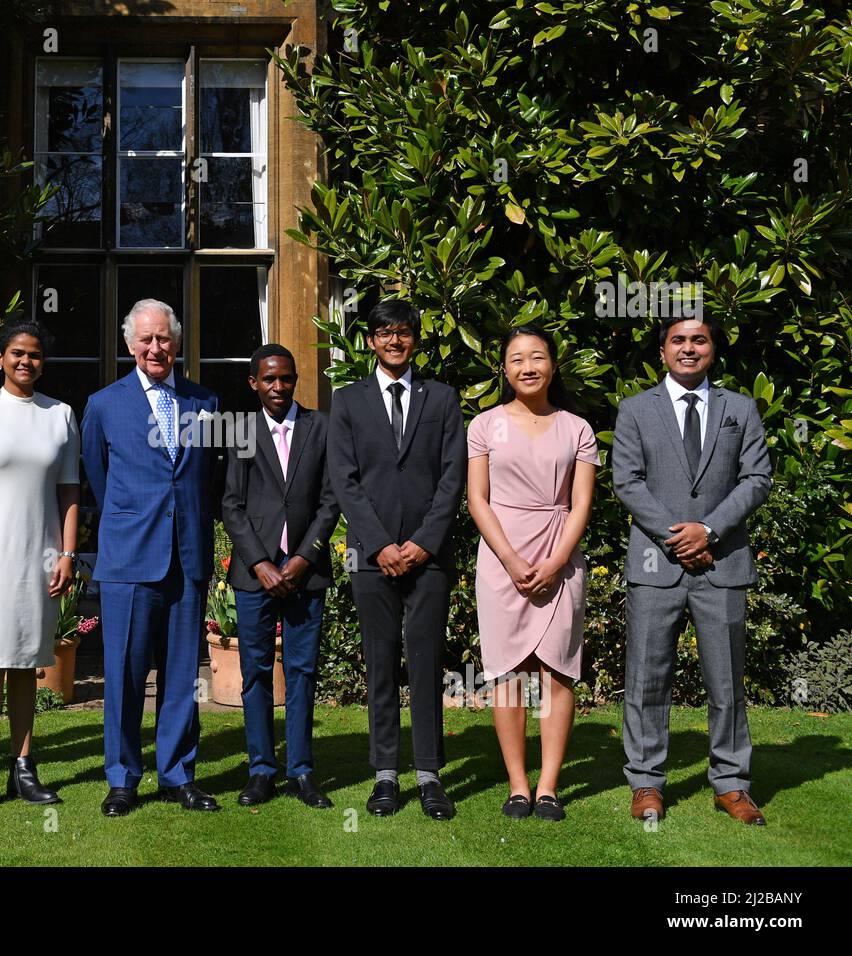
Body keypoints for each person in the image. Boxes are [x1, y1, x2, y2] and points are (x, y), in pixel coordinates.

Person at [613, 315, 772, 826]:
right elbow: (628, 482)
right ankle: (645, 782)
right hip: (655, 563)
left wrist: (710, 530)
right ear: (662, 351)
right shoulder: (636, 410)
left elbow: (757, 478)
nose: (688, 348)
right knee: (646, 678)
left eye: (698, 340)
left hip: (722, 561)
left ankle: (731, 783)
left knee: (726, 681)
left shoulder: (740, 409)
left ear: (712, 349)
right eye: (678, 340)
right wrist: (680, 537)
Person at [81, 298, 222, 816]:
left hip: (186, 558)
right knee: (123, 673)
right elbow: (98, 476)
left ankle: (177, 774)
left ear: (178, 342)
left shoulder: (204, 401)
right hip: (129, 560)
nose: (156, 348)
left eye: (164, 338)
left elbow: (208, 478)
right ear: (129, 344)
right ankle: (122, 778)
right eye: (146, 339)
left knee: (183, 673)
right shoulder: (102, 405)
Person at [327, 299, 465, 819]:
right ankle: (385, 773)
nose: (394, 341)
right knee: (381, 663)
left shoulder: (444, 399)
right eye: (385, 333)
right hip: (371, 556)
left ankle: (428, 773)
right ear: (370, 341)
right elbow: (345, 479)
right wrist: (380, 544)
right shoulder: (347, 401)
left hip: (428, 557)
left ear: (414, 340)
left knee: (426, 661)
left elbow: (453, 477)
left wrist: (423, 542)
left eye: (404, 332)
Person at [466, 328, 598, 822]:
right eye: (517, 359)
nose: (527, 367)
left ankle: (548, 787)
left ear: (553, 365)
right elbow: (477, 499)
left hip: (560, 556)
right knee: (507, 672)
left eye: (537, 357)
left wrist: (557, 560)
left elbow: (582, 502)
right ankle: (518, 786)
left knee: (558, 671)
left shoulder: (577, 428)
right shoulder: (483, 425)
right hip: (503, 558)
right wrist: (515, 561)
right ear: (504, 369)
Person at [0, 319, 79, 814]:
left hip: (41, 556)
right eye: (17, 353)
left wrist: (66, 554)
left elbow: (70, 491)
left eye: (35, 355)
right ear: (0, 358)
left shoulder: (62, 415)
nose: (26, 362)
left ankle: (24, 769)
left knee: (28, 661)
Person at [222, 344, 339, 809]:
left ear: (295, 380)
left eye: (286, 379)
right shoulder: (242, 431)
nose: (278, 387)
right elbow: (231, 503)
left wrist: (303, 558)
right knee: (254, 674)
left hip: (305, 575)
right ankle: (260, 770)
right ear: (254, 383)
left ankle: (302, 771)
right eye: (269, 379)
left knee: (303, 671)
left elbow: (332, 500)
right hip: (256, 577)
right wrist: (261, 563)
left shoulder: (321, 427)